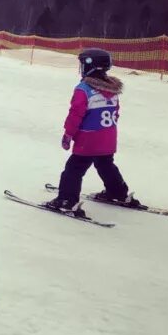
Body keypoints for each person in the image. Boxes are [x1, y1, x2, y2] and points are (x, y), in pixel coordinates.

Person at [45, 48, 140, 214]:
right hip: (108, 138)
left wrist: (68, 135)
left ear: (90, 66)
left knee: (74, 168)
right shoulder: (113, 90)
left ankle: (67, 199)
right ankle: (118, 192)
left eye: (82, 64)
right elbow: (115, 113)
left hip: (89, 139)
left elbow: (75, 115)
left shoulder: (84, 89)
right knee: (105, 164)